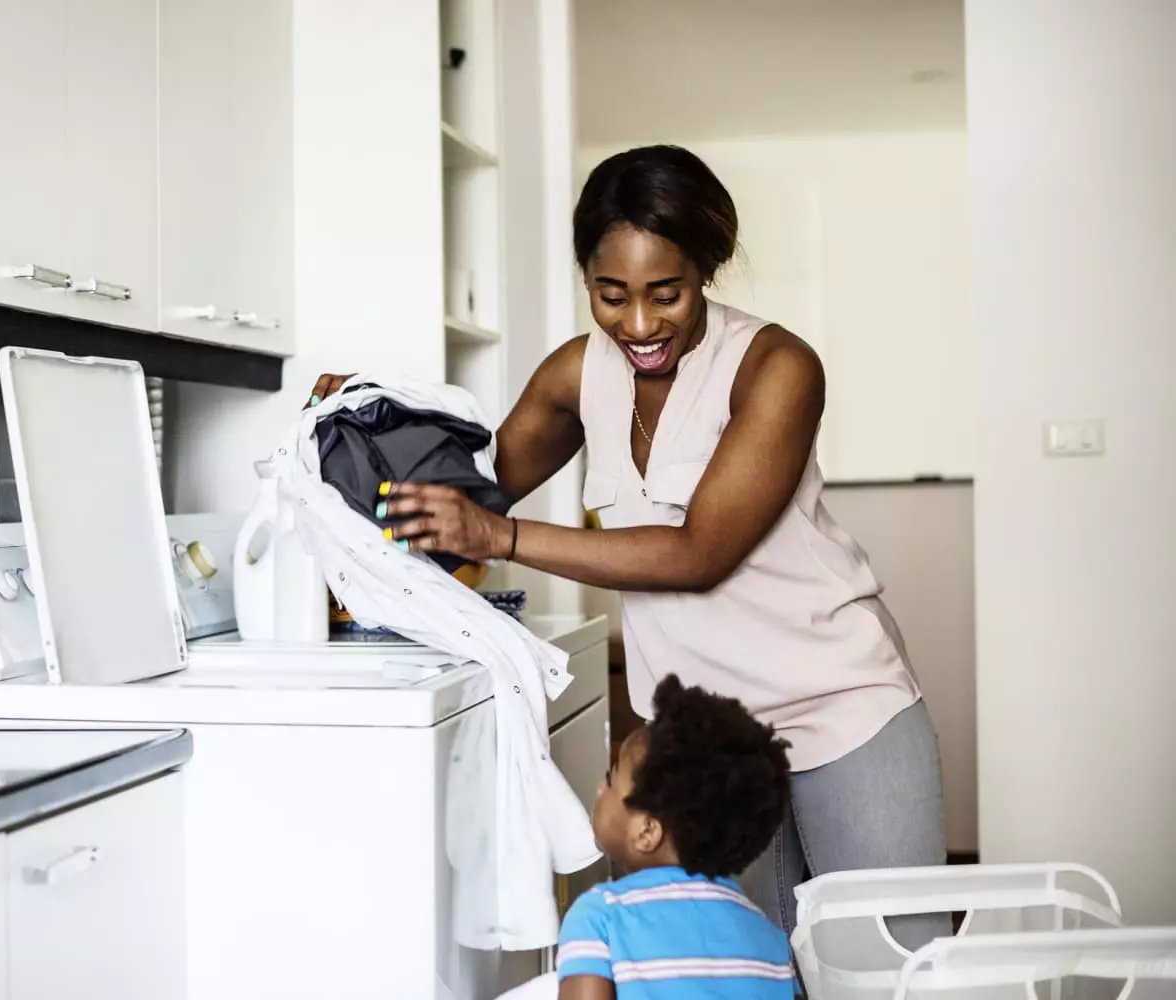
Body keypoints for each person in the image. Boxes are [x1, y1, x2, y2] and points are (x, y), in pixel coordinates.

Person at [309, 144, 947, 945]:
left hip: (842, 710)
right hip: (702, 743)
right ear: (586, 279)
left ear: (707, 267)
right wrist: (368, 414)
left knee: (891, 969)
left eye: (665, 294)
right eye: (611, 296)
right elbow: (467, 492)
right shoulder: (576, 376)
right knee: (730, 982)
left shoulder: (778, 368)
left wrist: (501, 537)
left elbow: (699, 553)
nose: (639, 325)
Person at [556, 676, 793, 999]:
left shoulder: (600, 916)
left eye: (611, 780)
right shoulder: (770, 938)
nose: (600, 788)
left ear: (647, 831)